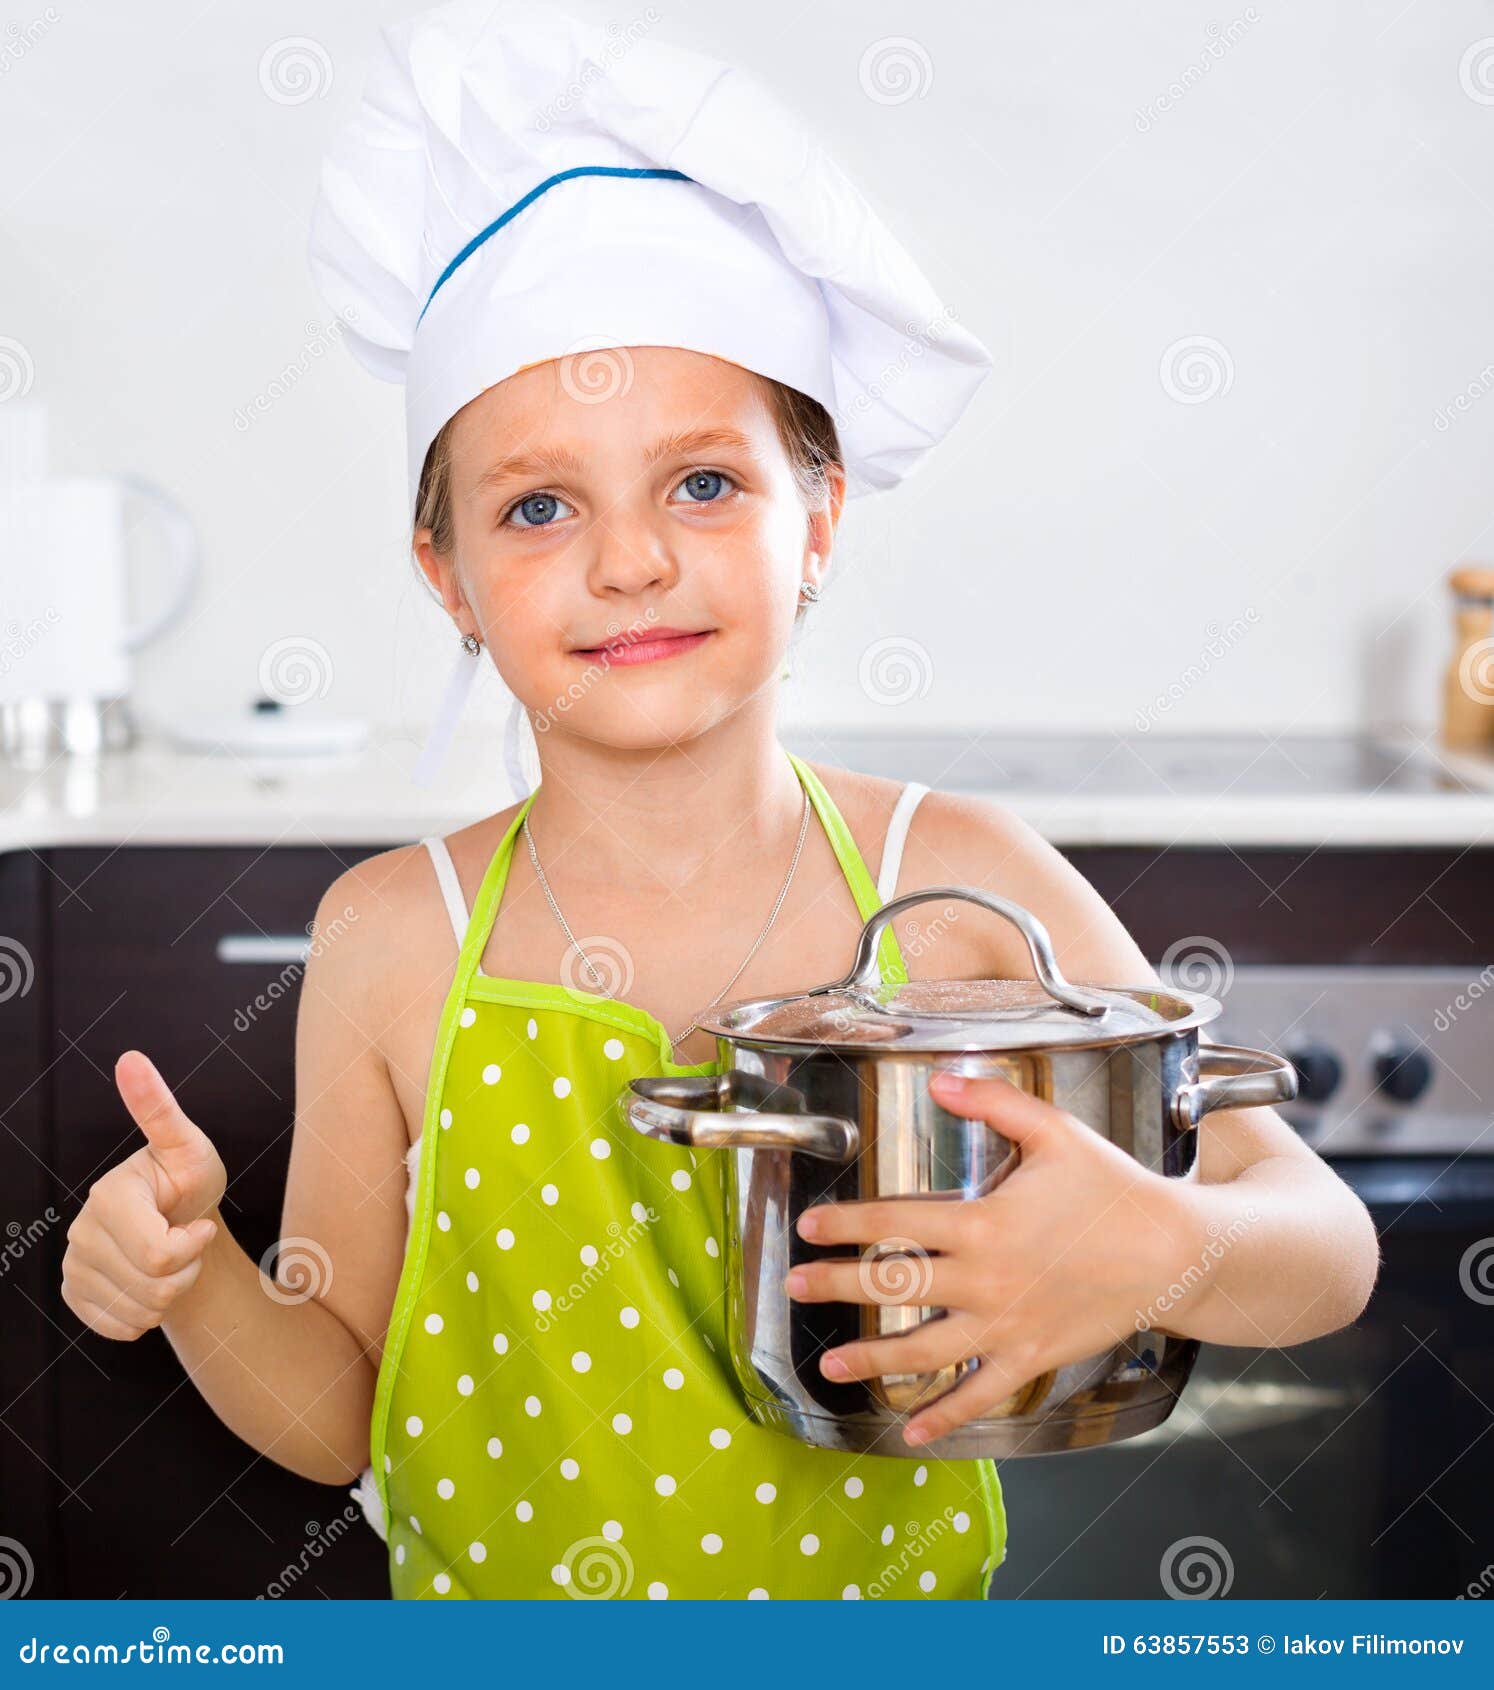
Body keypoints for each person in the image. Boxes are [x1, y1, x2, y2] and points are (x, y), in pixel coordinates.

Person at [59, 1, 1378, 1601]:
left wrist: (1163, 1246)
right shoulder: (395, 937)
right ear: (448, 577)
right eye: (538, 504)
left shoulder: (956, 883)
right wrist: (197, 1278)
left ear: (816, 516)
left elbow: (1321, 1243)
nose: (629, 559)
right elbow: (340, 1410)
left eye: (703, 481)